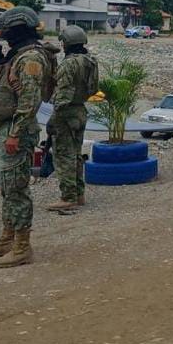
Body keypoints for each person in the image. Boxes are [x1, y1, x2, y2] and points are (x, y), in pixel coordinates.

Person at [0, 6, 56, 267]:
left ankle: (22, 245)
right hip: (7, 128)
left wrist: (15, 134)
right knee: (8, 187)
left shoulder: (30, 58)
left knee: (17, 189)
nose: (5, 33)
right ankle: (8, 236)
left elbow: (30, 101)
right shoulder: (16, 55)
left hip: (16, 131)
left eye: (8, 29)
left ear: (20, 28)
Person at [47, 26, 99, 213]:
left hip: (66, 112)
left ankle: (68, 197)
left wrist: (54, 118)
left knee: (63, 155)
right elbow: (93, 89)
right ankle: (78, 193)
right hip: (80, 110)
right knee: (76, 154)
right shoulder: (90, 61)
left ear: (67, 43)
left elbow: (63, 94)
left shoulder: (69, 64)